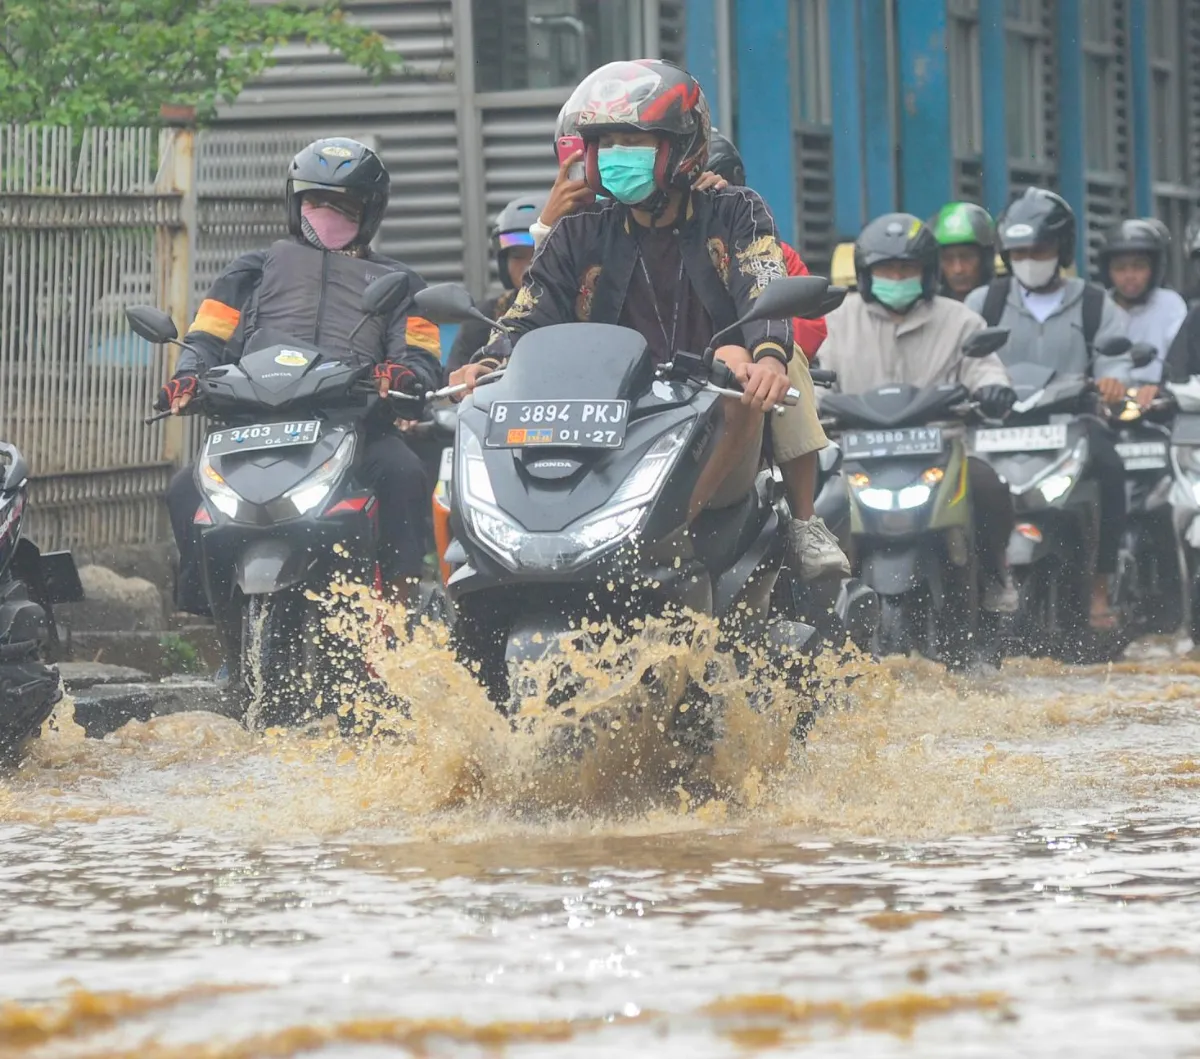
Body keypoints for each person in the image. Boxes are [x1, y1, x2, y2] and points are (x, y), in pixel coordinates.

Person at [449, 58, 845, 580]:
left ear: (682, 147)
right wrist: (487, 362)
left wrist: (766, 354)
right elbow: (530, 312)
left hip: (713, 413)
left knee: (743, 357)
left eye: (634, 143)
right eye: (606, 144)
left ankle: (796, 522)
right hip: (609, 425)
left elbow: (763, 283)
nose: (617, 157)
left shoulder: (734, 210)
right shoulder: (578, 232)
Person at [162, 137, 442, 611]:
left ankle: (399, 612)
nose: (326, 214)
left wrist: (403, 376)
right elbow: (204, 338)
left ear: (369, 212)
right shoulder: (250, 271)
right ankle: (213, 611)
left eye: (342, 205)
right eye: (315, 201)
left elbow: (422, 357)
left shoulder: (401, 283)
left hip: (353, 428)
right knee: (183, 488)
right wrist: (188, 376)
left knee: (405, 473)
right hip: (252, 427)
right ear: (295, 203)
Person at [816, 213, 1019, 613]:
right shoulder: (834, 323)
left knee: (991, 488)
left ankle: (995, 578)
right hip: (854, 457)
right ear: (865, 273)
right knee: (815, 510)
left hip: (940, 453)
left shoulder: (959, 320)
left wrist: (994, 389)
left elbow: (985, 366)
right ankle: (818, 601)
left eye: (907, 268)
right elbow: (811, 376)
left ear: (928, 272)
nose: (896, 276)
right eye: (886, 268)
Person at [964, 187, 1131, 629]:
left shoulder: (1096, 302)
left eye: (1038, 249)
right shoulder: (985, 302)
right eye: (1018, 252)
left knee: (1113, 469)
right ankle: (970, 587)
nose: (1029, 259)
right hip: (995, 425)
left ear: (1063, 248)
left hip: (1072, 423)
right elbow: (961, 358)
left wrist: (1114, 382)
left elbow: (1116, 361)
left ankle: (1100, 584)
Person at [446, 192, 548, 378]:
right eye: (517, 256)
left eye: (538, 253)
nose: (528, 265)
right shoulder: (483, 316)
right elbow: (454, 386)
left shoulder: (581, 310)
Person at [1098, 218, 1187, 405]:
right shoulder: (1096, 305)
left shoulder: (1170, 304)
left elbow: (1181, 359)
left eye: (1139, 266)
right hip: (1104, 403)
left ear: (1154, 269)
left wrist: (1163, 388)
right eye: (1120, 268)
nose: (1129, 276)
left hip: (1157, 400)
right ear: (1107, 271)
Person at [931, 201, 996, 301]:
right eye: (947, 259)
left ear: (986, 259)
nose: (958, 269)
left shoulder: (1003, 304)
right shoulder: (929, 306)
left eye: (967, 257)